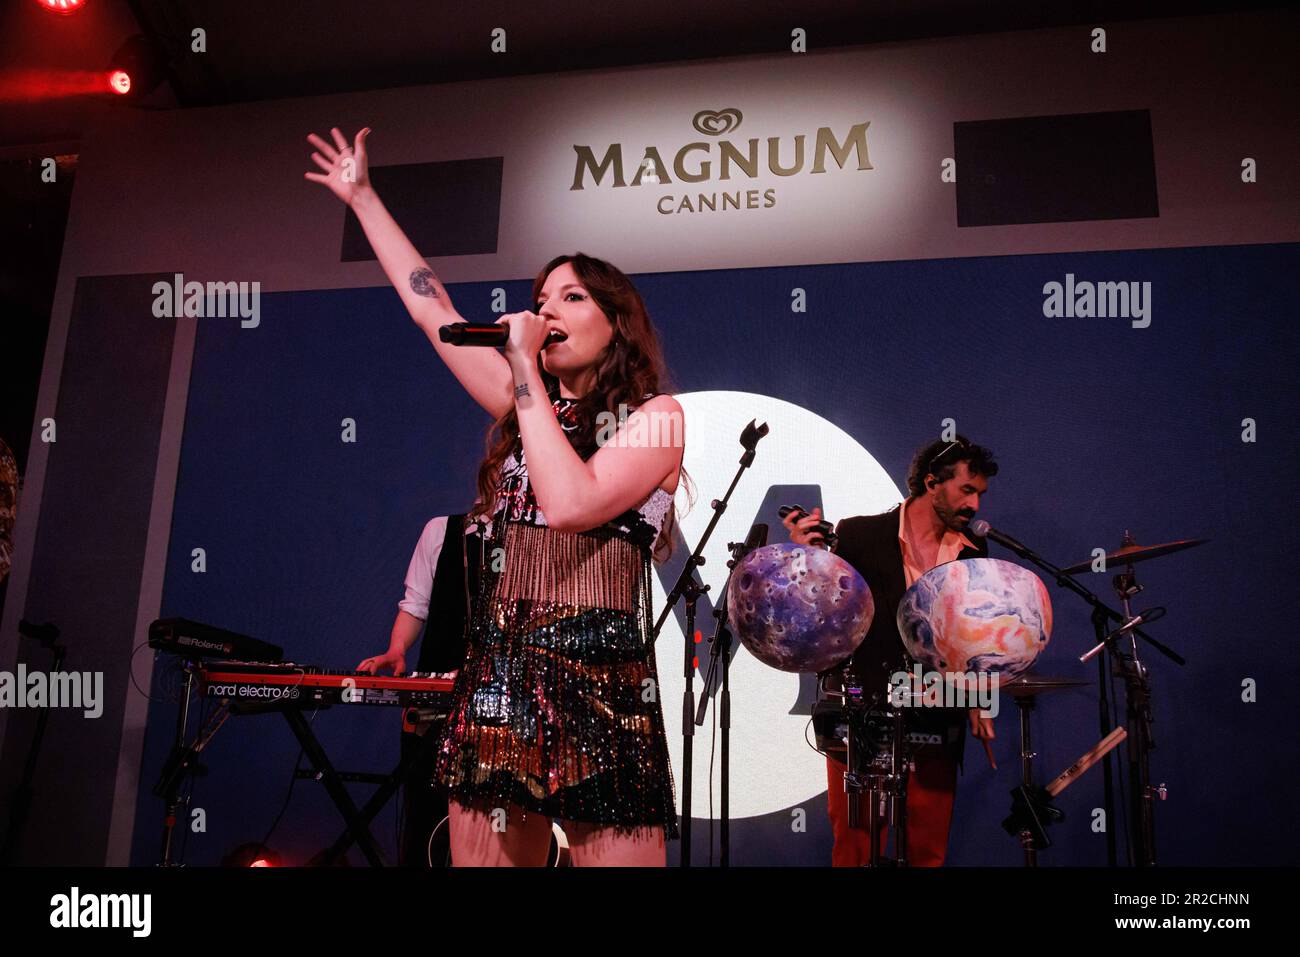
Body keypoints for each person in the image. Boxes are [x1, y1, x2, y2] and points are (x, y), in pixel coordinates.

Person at [306, 126, 686, 866]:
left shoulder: (655, 419)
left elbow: (574, 502)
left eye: (572, 297)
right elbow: (430, 307)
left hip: (603, 675)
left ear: (617, 325)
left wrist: (521, 376)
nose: (544, 311)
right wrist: (364, 197)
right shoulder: (525, 403)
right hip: (503, 668)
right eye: (540, 297)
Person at [784, 435, 999, 866]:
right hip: (861, 715)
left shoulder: (975, 551)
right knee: (856, 850)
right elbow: (825, 611)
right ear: (931, 482)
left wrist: (979, 700)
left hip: (938, 714)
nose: (975, 506)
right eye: (967, 490)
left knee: (927, 851)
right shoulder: (859, 534)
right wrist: (805, 557)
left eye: (980, 494)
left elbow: (974, 632)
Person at [356, 513, 483, 866]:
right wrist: (397, 649)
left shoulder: (535, 538)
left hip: (498, 711)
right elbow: (414, 605)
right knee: (424, 827)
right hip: (434, 709)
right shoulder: (440, 530)